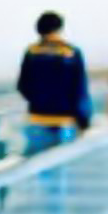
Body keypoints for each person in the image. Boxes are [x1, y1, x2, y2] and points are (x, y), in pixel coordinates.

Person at [16, 11, 92, 154]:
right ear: (59, 28)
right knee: (61, 167)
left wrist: (38, 100)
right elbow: (80, 90)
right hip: (65, 121)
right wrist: (84, 122)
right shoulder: (71, 52)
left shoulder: (32, 52)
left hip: (37, 118)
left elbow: (22, 85)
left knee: (37, 167)